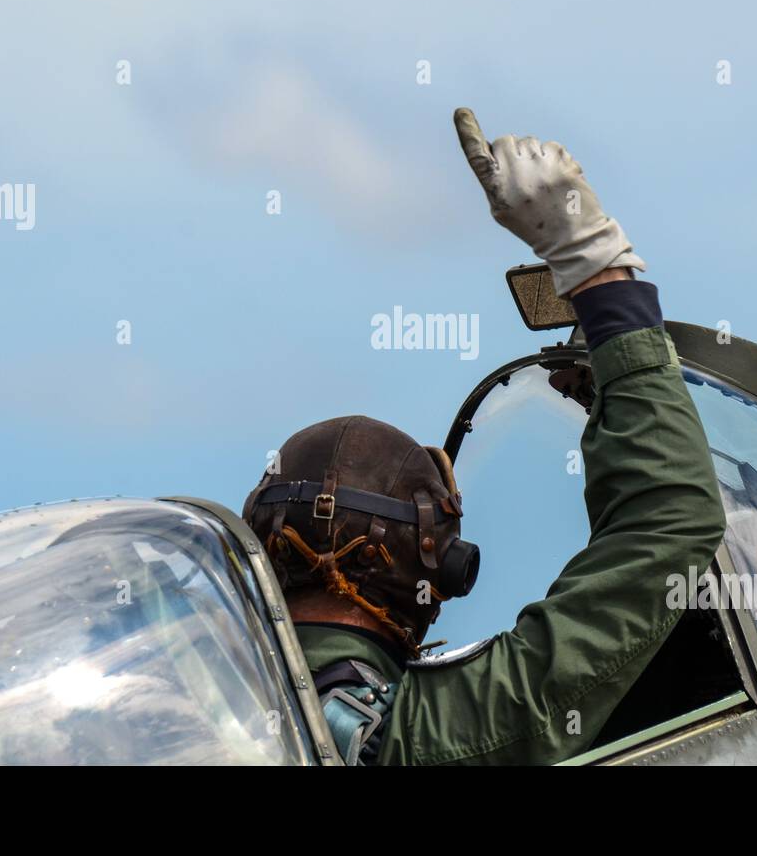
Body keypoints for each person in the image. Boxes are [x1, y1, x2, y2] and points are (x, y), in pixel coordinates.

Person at [241, 108, 727, 765]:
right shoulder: (397, 743)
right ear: (433, 567)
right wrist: (595, 264)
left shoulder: (181, 707)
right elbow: (674, 520)